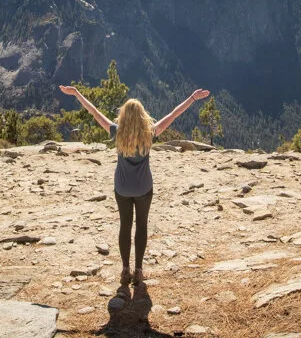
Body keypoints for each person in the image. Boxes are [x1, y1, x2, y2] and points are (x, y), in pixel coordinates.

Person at [59, 84, 210, 287]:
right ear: (141, 115)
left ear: (123, 115)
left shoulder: (116, 132)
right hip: (143, 188)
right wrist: (192, 97)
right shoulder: (150, 133)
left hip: (122, 188)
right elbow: (174, 114)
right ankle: (138, 270)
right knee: (142, 225)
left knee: (125, 226)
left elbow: (94, 112)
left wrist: (77, 94)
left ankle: (124, 270)